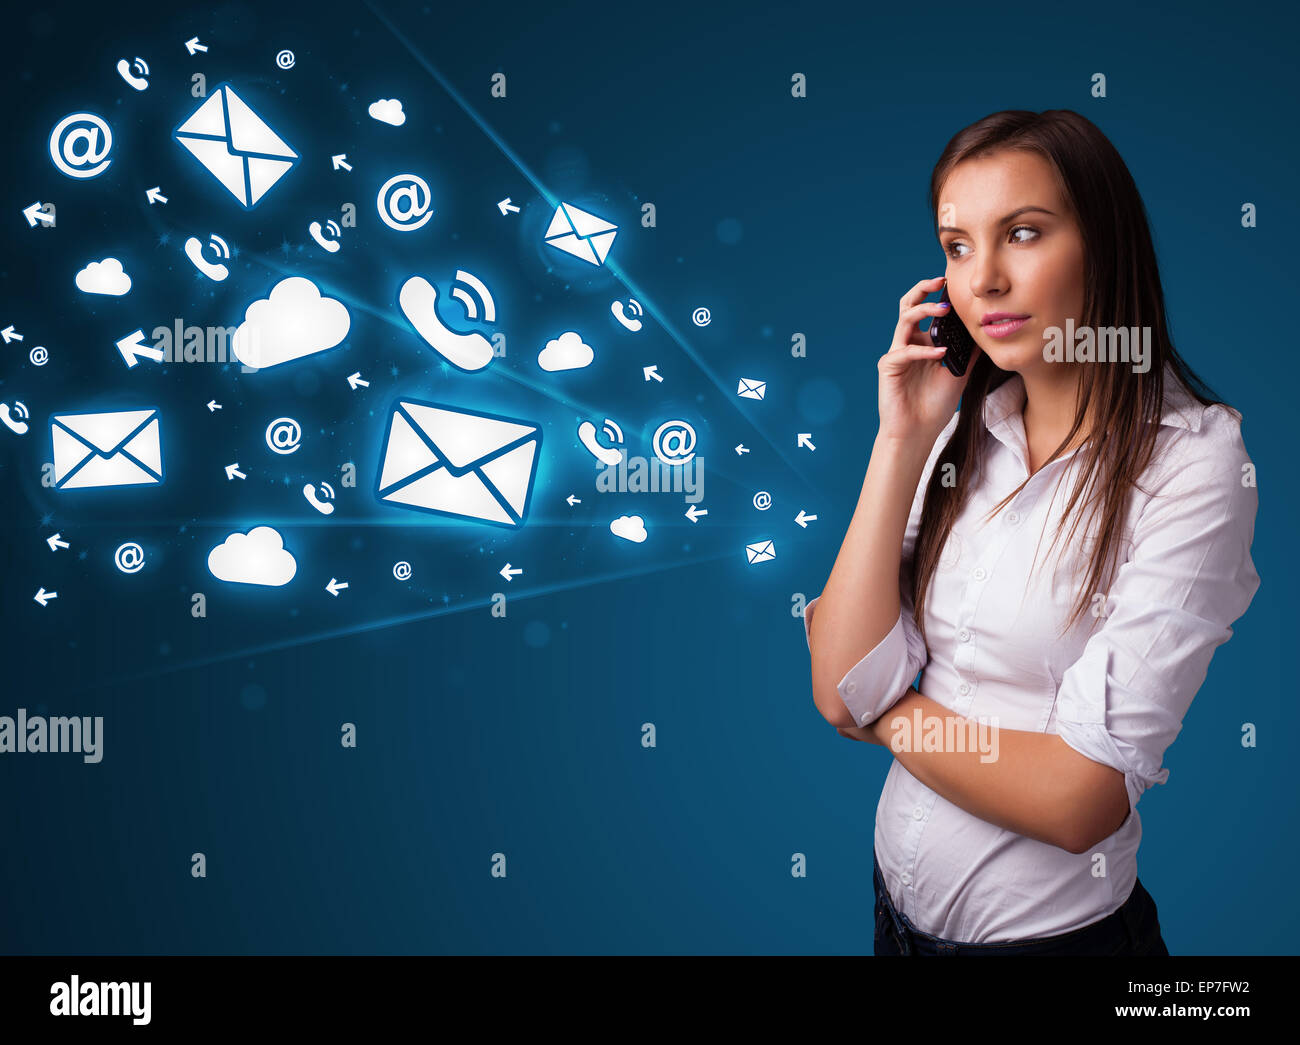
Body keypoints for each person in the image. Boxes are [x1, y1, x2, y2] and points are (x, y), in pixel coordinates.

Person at [803, 110, 1261, 956]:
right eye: (957, 245)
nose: (983, 281)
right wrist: (898, 439)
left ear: (1103, 243)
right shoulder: (955, 424)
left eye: (1021, 233)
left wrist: (892, 718)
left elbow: (1078, 800)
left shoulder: (1195, 462)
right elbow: (837, 679)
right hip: (893, 920)